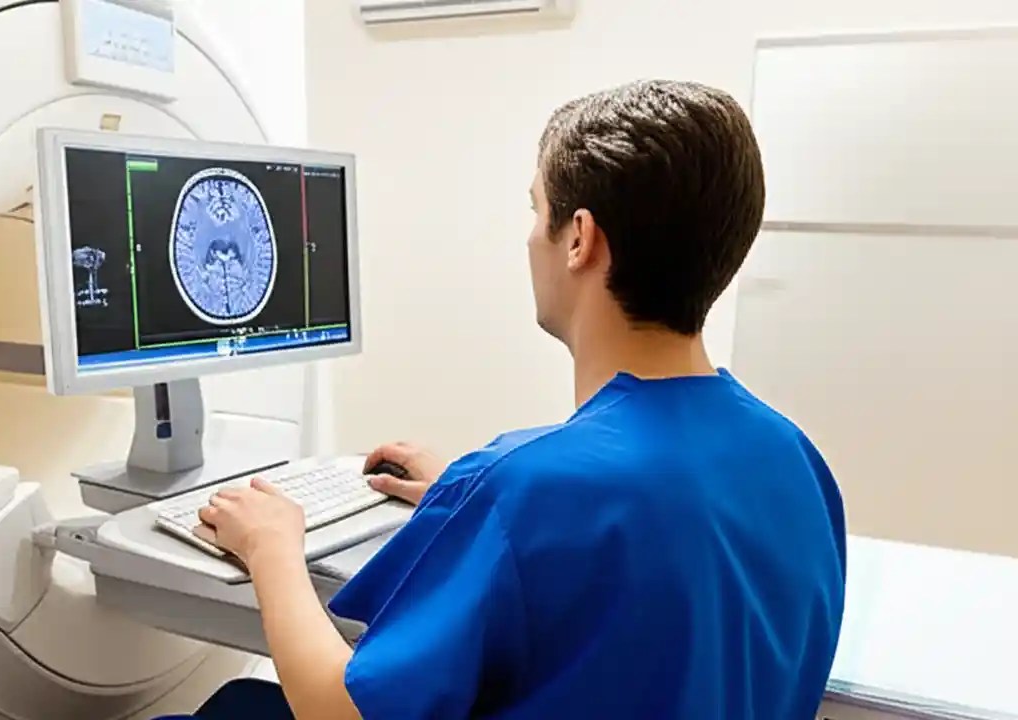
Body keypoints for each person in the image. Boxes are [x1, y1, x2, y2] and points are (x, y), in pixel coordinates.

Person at [168, 79, 846, 720]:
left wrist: (272, 549)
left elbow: (340, 711)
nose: (529, 237)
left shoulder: (529, 488)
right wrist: (468, 500)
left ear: (579, 238)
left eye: (536, 210)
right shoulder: (795, 459)